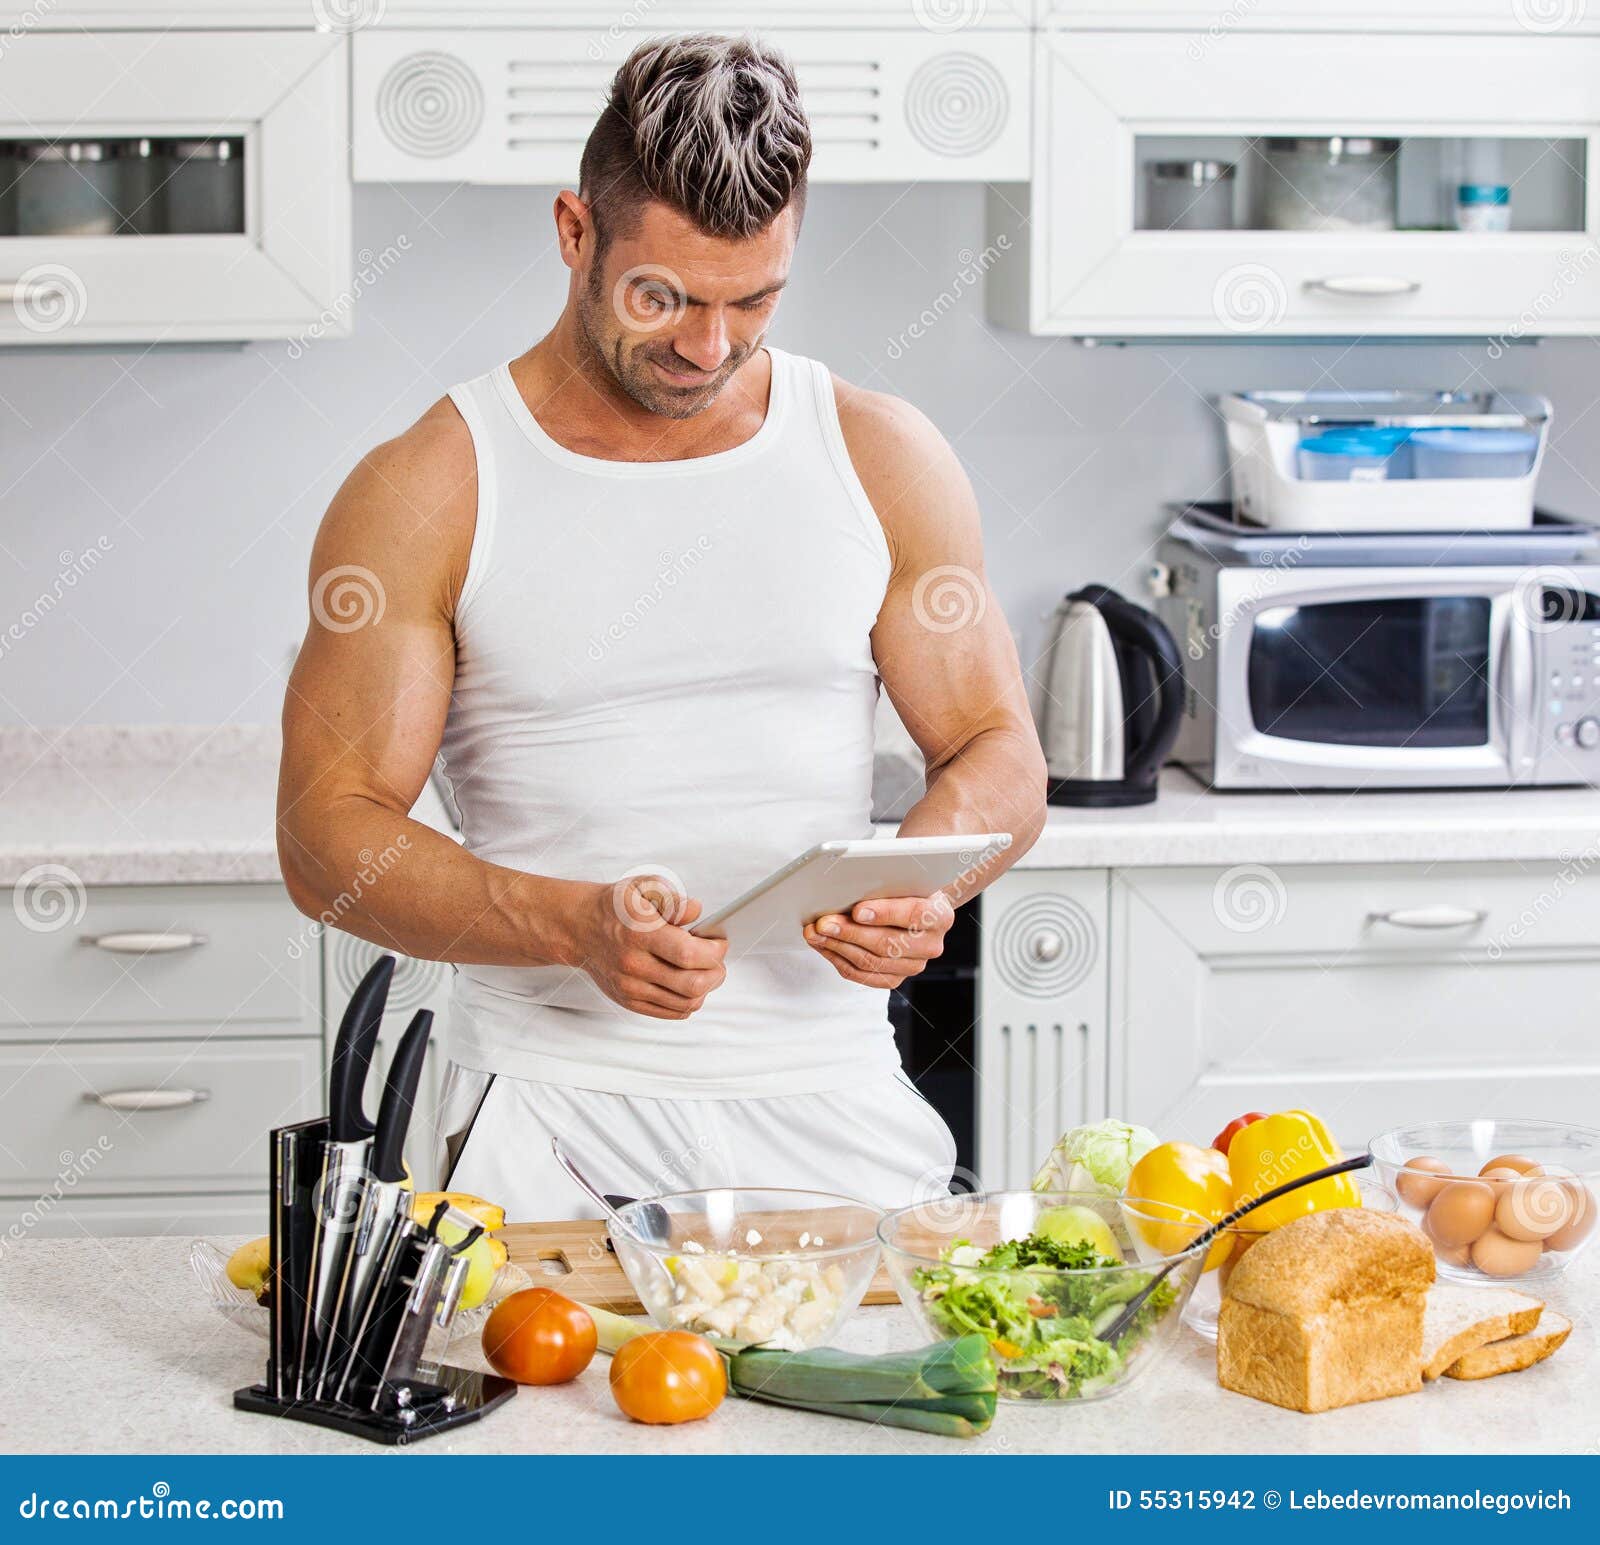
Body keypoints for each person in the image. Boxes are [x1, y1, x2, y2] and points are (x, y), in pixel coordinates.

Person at [278, 33, 1046, 1220]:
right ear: (575, 233)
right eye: (666, 297)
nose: (709, 345)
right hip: (542, 1124)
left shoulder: (881, 455)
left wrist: (926, 879)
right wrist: (565, 924)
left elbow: (998, 750)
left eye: (753, 300)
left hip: (834, 1111)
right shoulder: (430, 487)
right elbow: (327, 839)